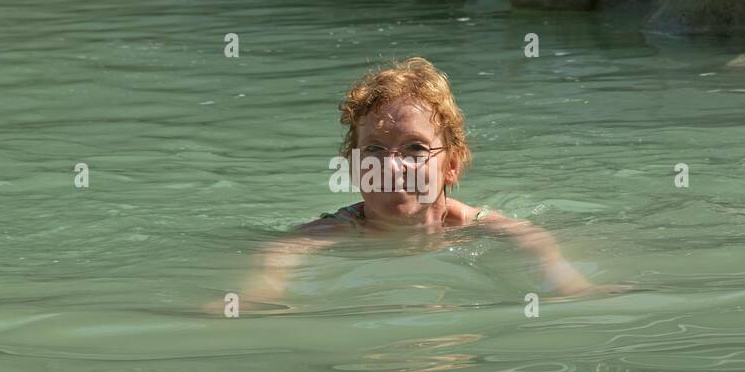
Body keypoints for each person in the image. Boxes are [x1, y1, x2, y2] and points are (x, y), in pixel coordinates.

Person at [236, 56, 628, 307]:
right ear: (352, 168)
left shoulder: (495, 230)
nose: (393, 167)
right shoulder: (319, 237)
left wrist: (579, 293)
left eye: (416, 149)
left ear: (452, 166)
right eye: (373, 150)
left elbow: (555, 271)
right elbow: (268, 276)